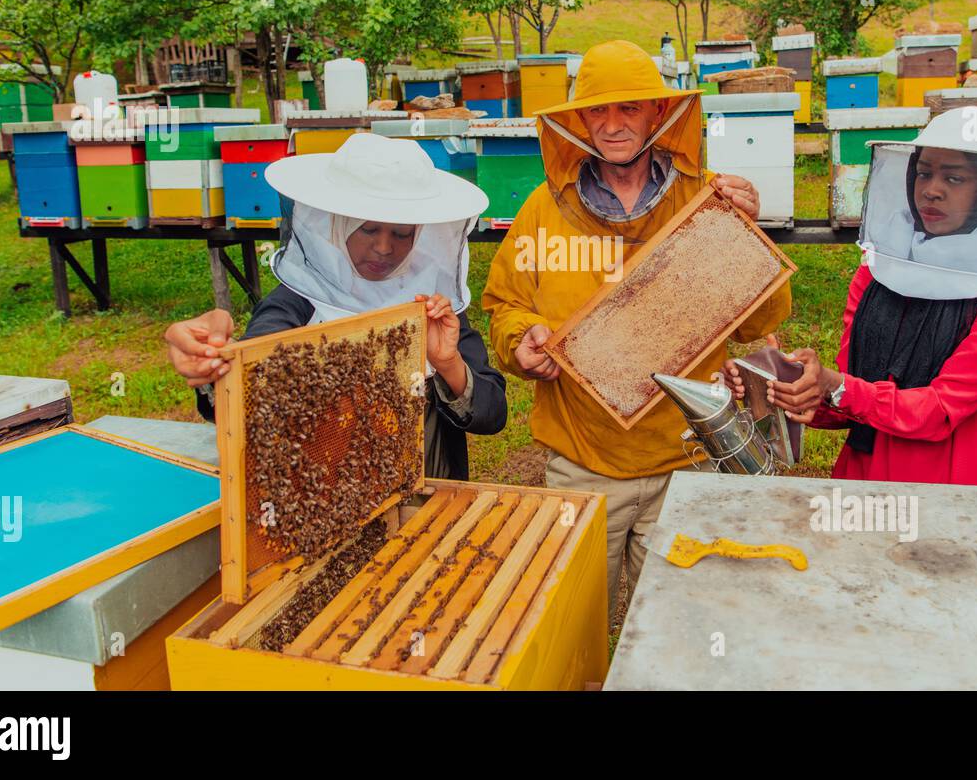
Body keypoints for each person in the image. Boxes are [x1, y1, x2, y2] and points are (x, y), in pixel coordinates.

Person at [482, 39, 794, 615]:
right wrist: (519, 340)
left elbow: (763, 321)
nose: (613, 124)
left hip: (687, 457)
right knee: (572, 628)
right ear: (580, 120)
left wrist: (748, 236)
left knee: (674, 628)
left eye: (629, 108)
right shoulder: (542, 210)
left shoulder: (708, 198)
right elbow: (505, 303)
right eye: (599, 110)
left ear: (658, 113)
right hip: (582, 465)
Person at [727, 106, 977, 535]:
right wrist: (782, 385)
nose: (931, 190)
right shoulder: (878, 269)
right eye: (923, 173)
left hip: (954, 494)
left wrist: (836, 387)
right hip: (864, 476)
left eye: (954, 178)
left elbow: (940, 409)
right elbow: (850, 398)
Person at [165, 133, 508, 479]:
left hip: (427, 493)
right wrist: (215, 360)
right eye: (368, 229)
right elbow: (251, 389)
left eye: (402, 234)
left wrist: (449, 364)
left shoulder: (436, 305)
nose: (385, 247)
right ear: (338, 222)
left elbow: (493, 414)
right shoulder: (299, 299)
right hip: (323, 489)